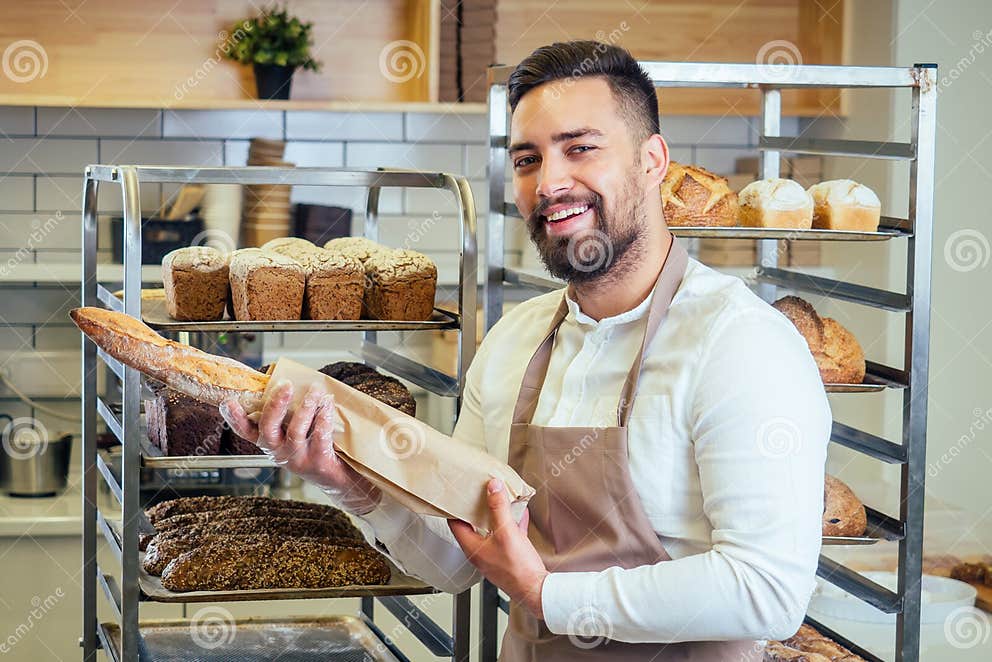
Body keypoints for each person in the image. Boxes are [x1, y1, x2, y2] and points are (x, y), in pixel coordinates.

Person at [220, 40, 831, 661]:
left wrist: (547, 594)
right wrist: (347, 482)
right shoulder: (515, 339)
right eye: (527, 159)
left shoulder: (741, 343)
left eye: (580, 148)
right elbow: (460, 559)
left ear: (653, 162)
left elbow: (768, 591)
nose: (550, 182)